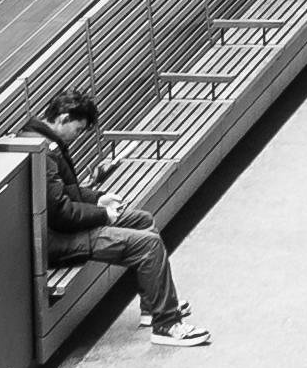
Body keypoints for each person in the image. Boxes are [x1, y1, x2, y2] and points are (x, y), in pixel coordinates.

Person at [29, 90, 208, 345]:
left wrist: (98, 198)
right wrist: (103, 215)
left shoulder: (42, 141)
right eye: (77, 129)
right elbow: (61, 214)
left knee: (142, 220)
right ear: (63, 118)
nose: (77, 136)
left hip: (59, 230)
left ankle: (153, 305)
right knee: (149, 246)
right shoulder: (43, 153)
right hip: (57, 241)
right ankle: (166, 325)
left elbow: (63, 193)